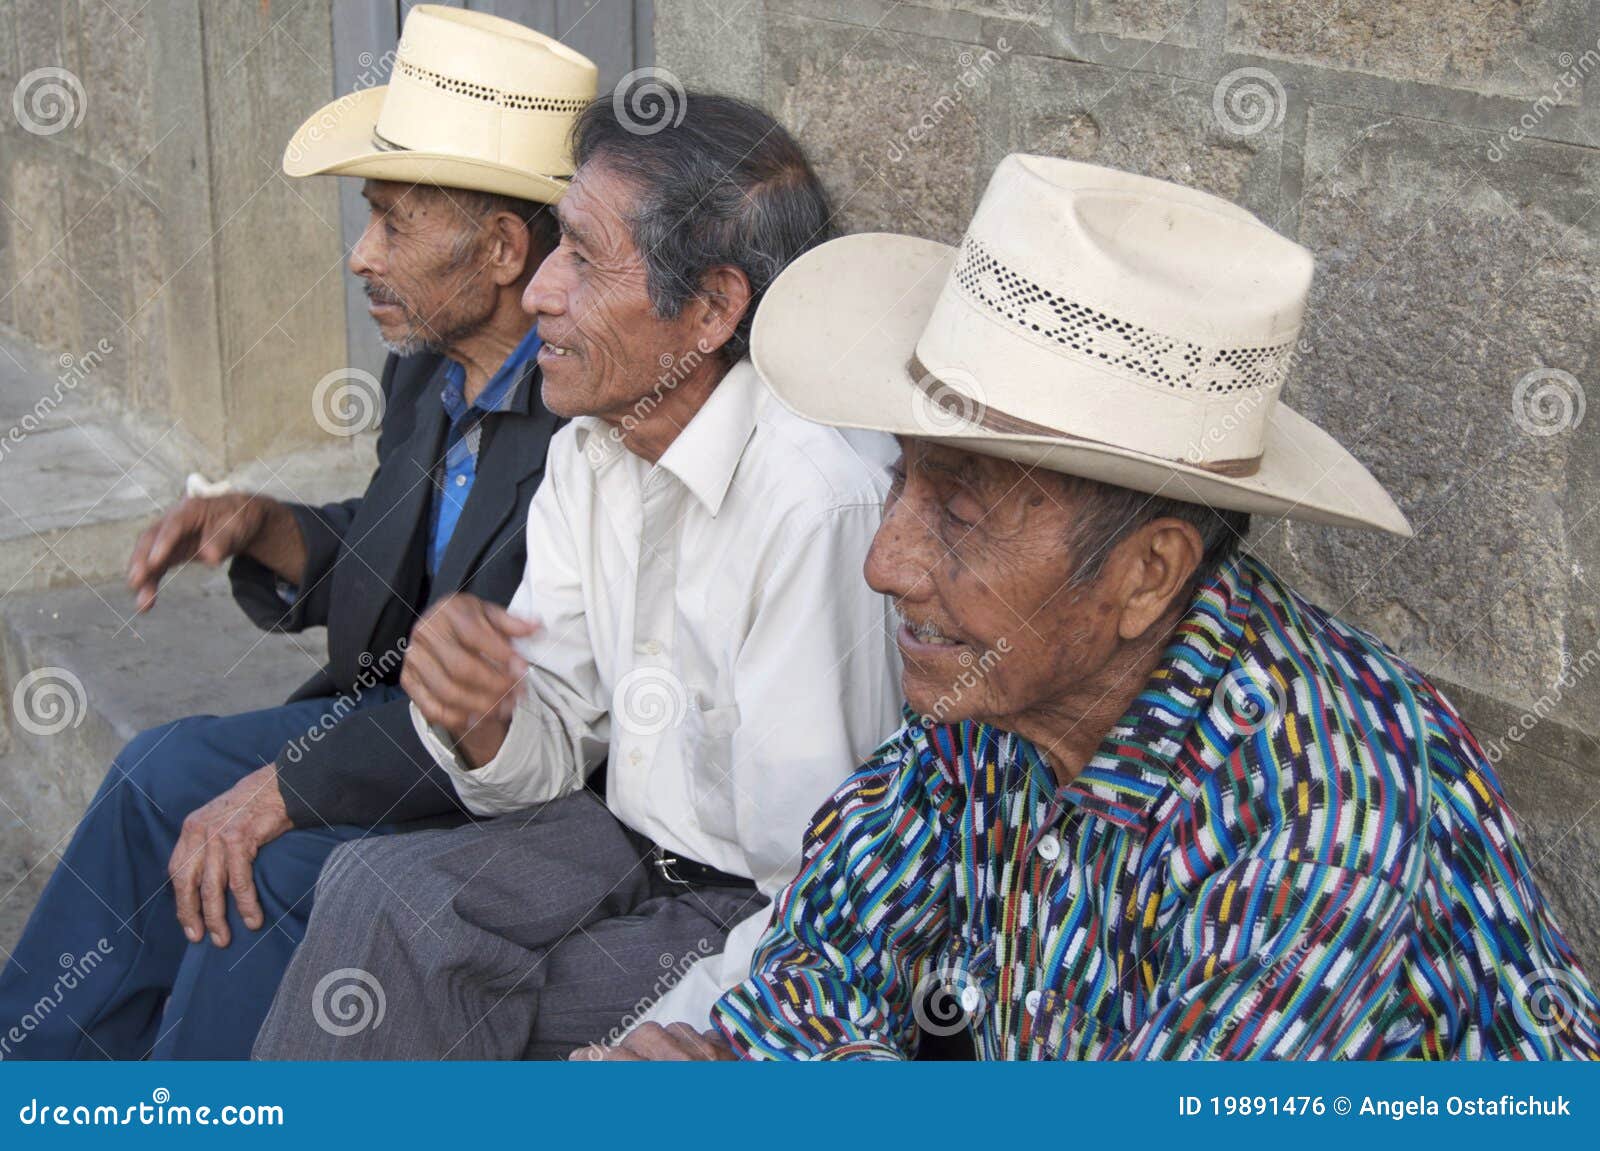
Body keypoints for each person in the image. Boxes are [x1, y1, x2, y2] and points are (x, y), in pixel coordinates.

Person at [600, 154, 1600, 1061]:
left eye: (957, 510)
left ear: (1146, 574)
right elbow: (811, 965)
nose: (884, 561)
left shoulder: (1321, 800)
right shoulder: (996, 695)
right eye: (903, 478)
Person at [250, 91, 902, 1060]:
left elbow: (826, 886)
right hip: (622, 842)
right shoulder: (592, 447)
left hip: (756, 901)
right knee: (373, 892)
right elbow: (549, 741)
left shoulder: (817, 503)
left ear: (713, 307)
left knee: (521, 1023)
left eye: (585, 259)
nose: (542, 290)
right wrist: (483, 713)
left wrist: (702, 1030)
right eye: (558, 247)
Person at [0, 7, 596, 1059]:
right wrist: (267, 529)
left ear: (504, 248)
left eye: (393, 222)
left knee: (255, 871)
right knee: (155, 773)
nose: (361, 255)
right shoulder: (426, 366)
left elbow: (524, 708)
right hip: (385, 727)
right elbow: (405, 555)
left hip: (499, 775)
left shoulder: (580, 425)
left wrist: (286, 789)